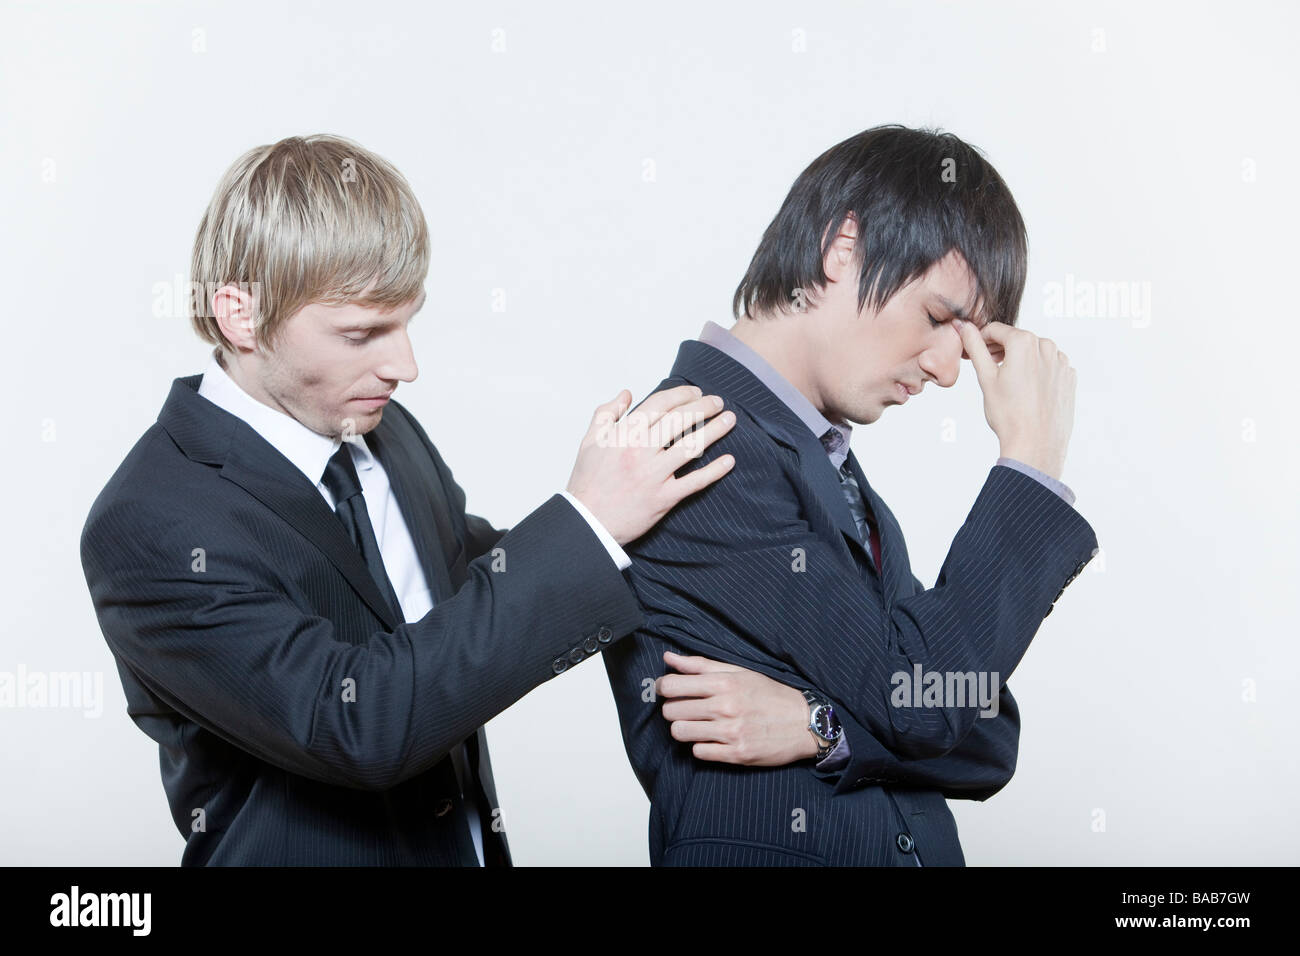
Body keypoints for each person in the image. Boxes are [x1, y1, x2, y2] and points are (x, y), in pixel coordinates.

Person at [79, 133, 822, 866]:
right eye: (362, 332)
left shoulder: (380, 426)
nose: (405, 364)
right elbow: (359, 721)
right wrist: (589, 521)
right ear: (240, 315)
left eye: (407, 321)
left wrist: (658, 532)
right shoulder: (150, 523)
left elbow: (472, 585)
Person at [603, 124, 1101, 866]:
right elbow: (928, 701)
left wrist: (818, 725)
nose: (945, 370)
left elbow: (987, 732)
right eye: (937, 319)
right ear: (845, 248)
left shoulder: (841, 482)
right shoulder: (693, 442)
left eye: (965, 343)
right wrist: (1028, 462)